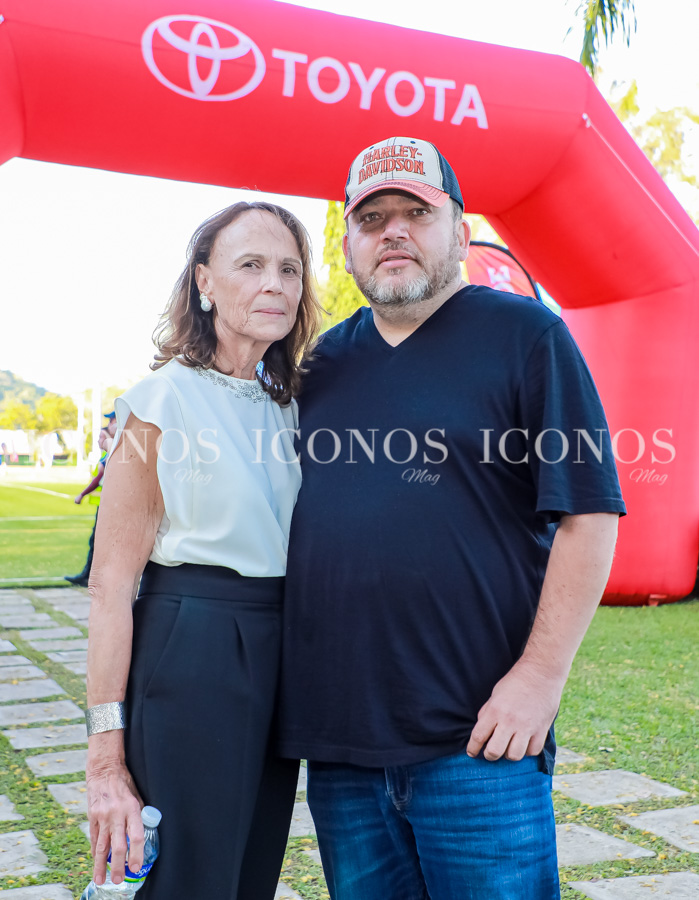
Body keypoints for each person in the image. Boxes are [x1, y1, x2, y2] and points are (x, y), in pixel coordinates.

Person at [277, 136, 626, 899]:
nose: (392, 230)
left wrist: (538, 679)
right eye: (371, 218)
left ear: (458, 232)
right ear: (347, 246)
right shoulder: (318, 367)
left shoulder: (527, 337)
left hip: (482, 740)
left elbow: (591, 515)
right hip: (340, 749)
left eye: (415, 212)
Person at [85, 201, 322, 900]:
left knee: (250, 868)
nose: (273, 284)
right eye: (249, 265)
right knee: (186, 875)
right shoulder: (157, 401)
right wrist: (105, 754)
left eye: (288, 268)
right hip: (192, 645)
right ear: (204, 283)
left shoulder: (301, 404)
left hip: (284, 647)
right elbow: (110, 584)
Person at [65, 415, 117, 588]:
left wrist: (81, 494)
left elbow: (98, 478)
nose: (98, 440)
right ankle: (92, 576)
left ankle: (91, 576)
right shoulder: (108, 454)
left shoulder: (111, 454)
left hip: (109, 506)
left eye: (101, 437)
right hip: (107, 505)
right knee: (98, 542)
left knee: (98, 542)